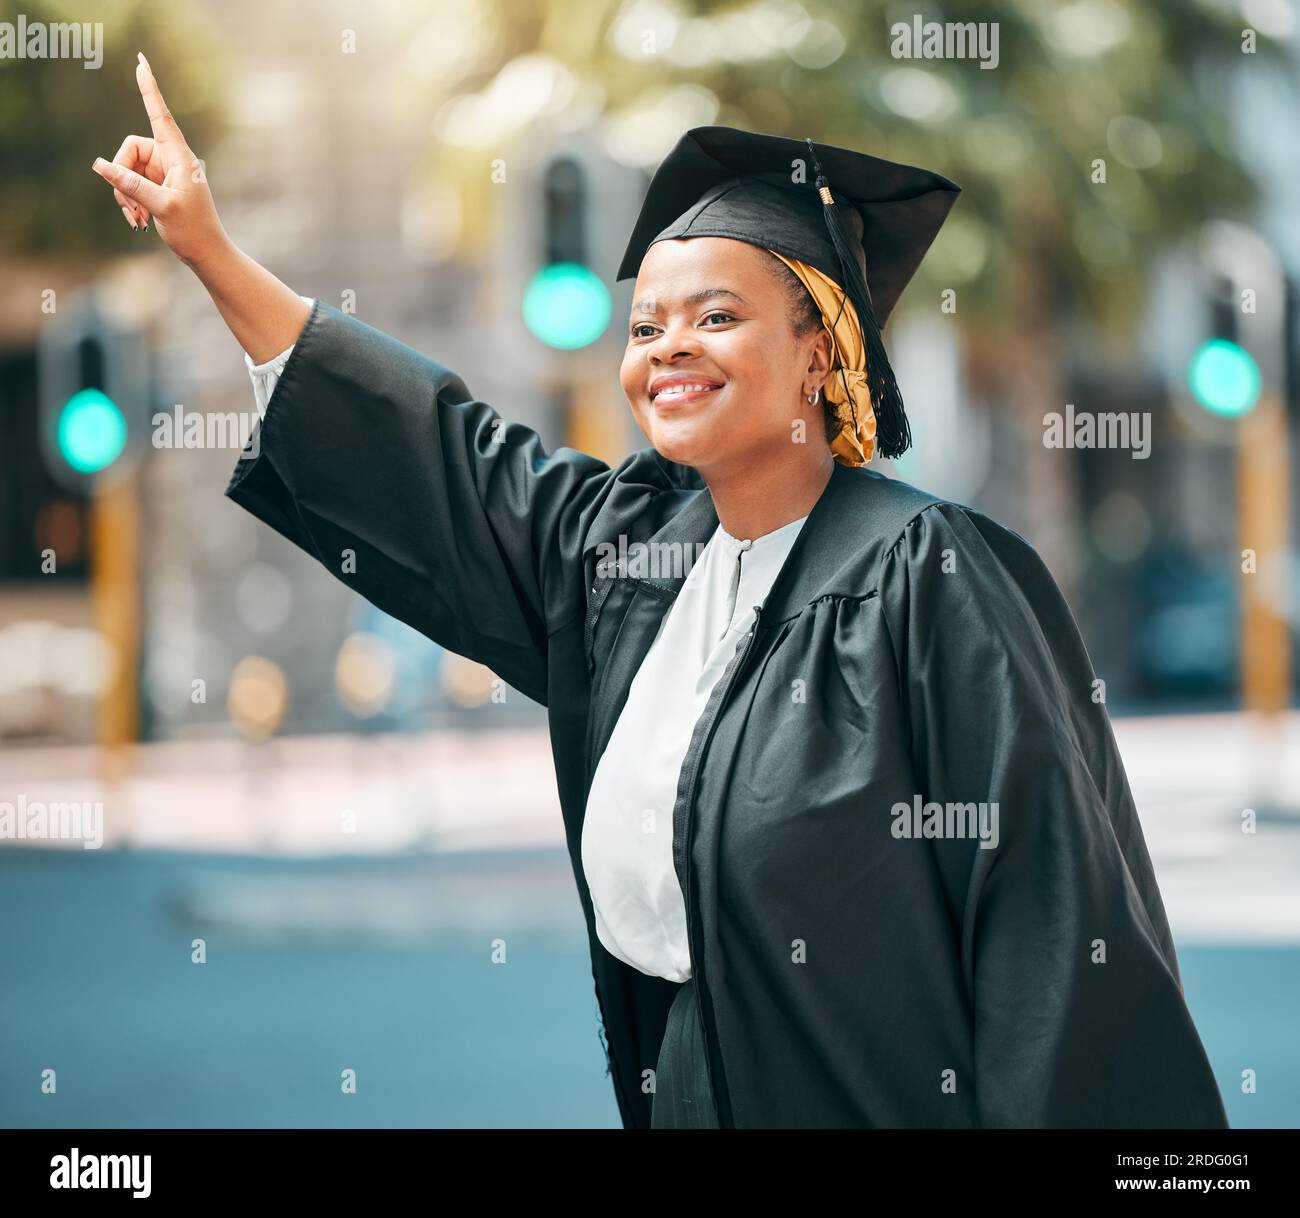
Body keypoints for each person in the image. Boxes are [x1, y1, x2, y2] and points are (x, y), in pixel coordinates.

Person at [93, 54, 1229, 1129]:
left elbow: (1052, 924)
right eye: (647, 325)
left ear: (821, 352)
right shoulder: (629, 564)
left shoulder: (930, 577)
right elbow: (441, 459)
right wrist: (211, 249)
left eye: (716, 316)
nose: (666, 348)